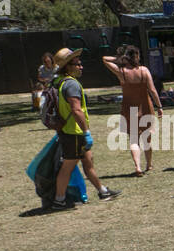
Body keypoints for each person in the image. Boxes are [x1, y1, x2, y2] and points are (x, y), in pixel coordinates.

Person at [48, 47, 120, 208]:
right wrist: (86, 132)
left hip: (71, 131)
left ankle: (103, 191)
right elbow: (76, 110)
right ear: (67, 66)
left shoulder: (58, 81)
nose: (81, 67)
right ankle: (58, 200)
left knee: (88, 162)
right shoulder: (71, 85)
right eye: (77, 64)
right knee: (68, 167)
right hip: (74, 132)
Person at [102, 45, 163, 175]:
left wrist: (120, 59)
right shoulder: (143, 70)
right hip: (145, 107)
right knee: (147, 138)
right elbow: (152, 90)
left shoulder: (121, 71)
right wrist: (159, 106)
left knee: (134, 139)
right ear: (135, 56)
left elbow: (105, 59)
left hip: (129, 108)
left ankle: (137, 166)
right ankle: (149, 164)